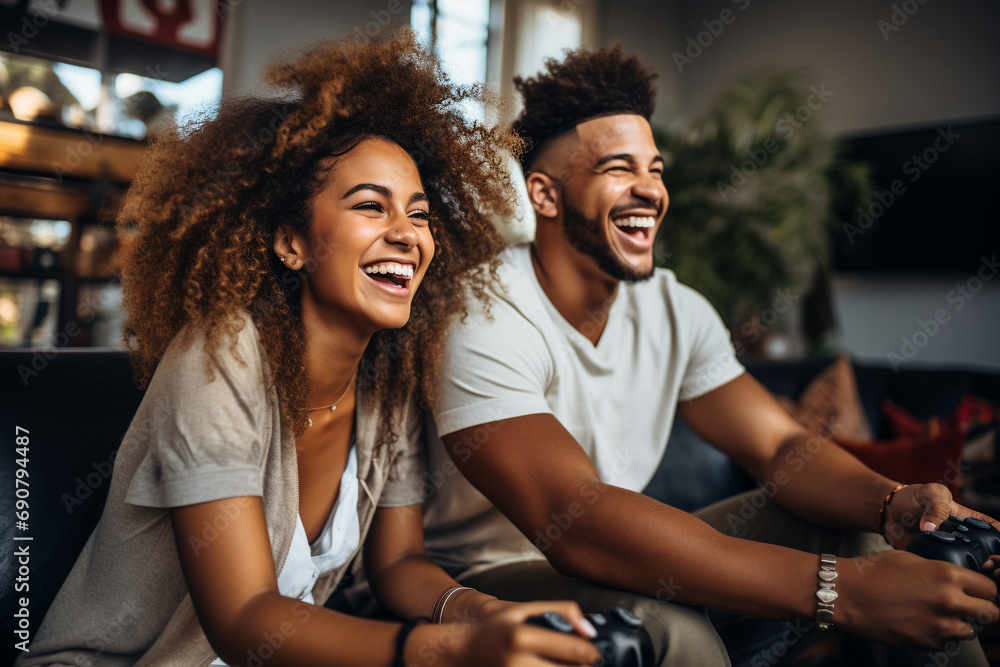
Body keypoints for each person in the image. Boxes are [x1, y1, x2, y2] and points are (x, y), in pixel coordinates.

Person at [16, 34, 602, 667]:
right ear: (291, 242)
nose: (407, 234)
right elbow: (243, 619)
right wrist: (448, 651)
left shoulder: (388, 373)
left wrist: (481, 614)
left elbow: (400, 562)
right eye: (370, 206)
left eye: (421, 214)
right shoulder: (223, 354)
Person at [420, 45, 1000, 665]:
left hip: (608, 554)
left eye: (657, 169)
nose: (649, 190)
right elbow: (574, 518)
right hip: (483, 578)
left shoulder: (676, 308)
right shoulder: (481, 311)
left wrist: (892, 500)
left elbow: (779, 447)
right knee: (669, 629)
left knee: (865, 534)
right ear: (546, 194)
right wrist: (843, 592)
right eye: (619, 168)